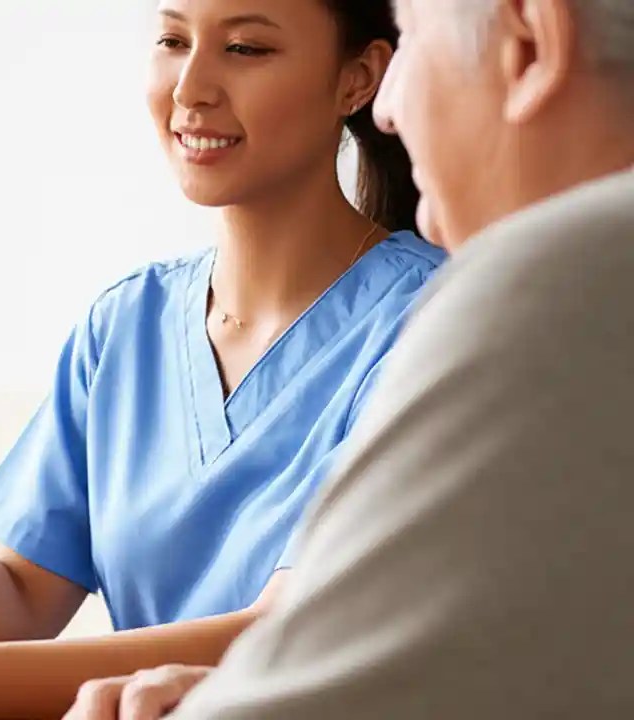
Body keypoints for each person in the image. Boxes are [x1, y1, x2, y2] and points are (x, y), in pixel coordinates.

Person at [0, 1, 445, 717]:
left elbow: (291, 632)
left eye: (246, 49)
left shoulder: (431, 319)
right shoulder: (128, 323)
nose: (191, 88)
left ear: (358, 79)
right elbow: (14, 611)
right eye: (172, 40)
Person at [66, 0, 634, 717]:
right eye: (173, 39)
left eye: (417, 40)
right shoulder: (128, 317)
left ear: (529, 44)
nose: (390, 110)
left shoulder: (537, 284)